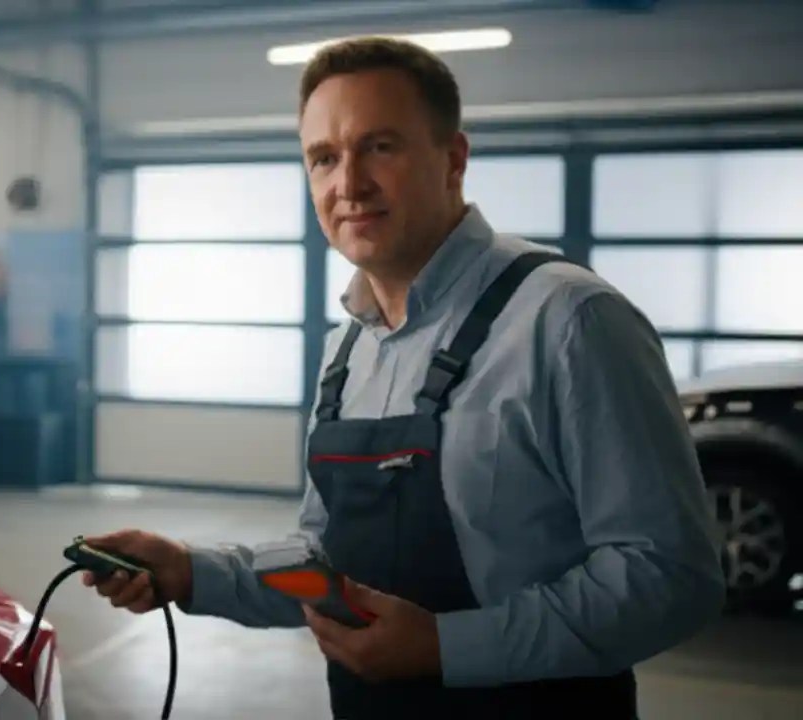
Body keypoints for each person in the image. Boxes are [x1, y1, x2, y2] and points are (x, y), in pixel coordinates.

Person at [82, 36, 725, 718]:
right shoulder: (346, 350)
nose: (348, 184)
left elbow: (670, 576)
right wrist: (192, 570)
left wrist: (451, 646)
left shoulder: (568, 321)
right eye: (323, 158)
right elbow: (325, 568)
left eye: (379, 147)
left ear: (454, 159)